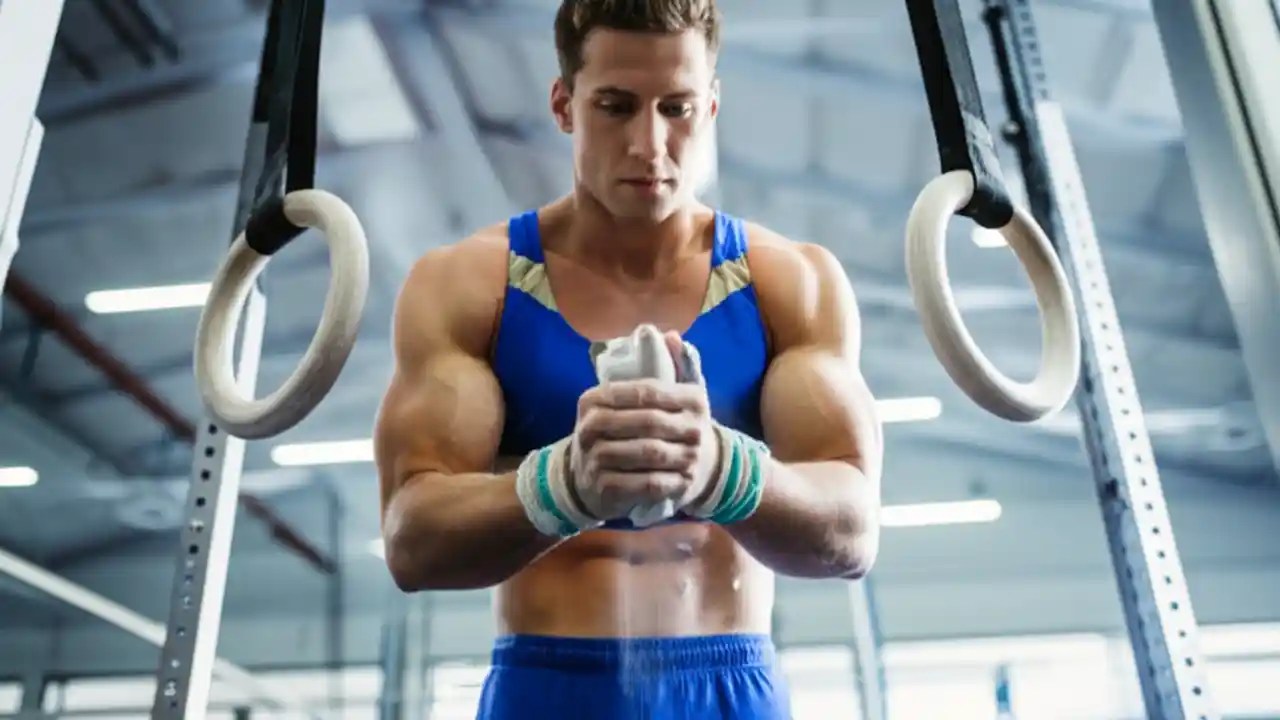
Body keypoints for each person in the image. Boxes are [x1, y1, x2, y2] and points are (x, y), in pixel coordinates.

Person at [372, 0, 884, 717]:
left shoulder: (789, 283)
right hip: (548, 686)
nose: (649, 144)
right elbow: (412, 543)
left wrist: (718, 469)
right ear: (563, 104)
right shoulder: (467, 284)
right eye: (615, 106)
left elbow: (852, 534)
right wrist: (563, 486)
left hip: (724, 685)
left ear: (711, 105)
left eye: (677, 108)